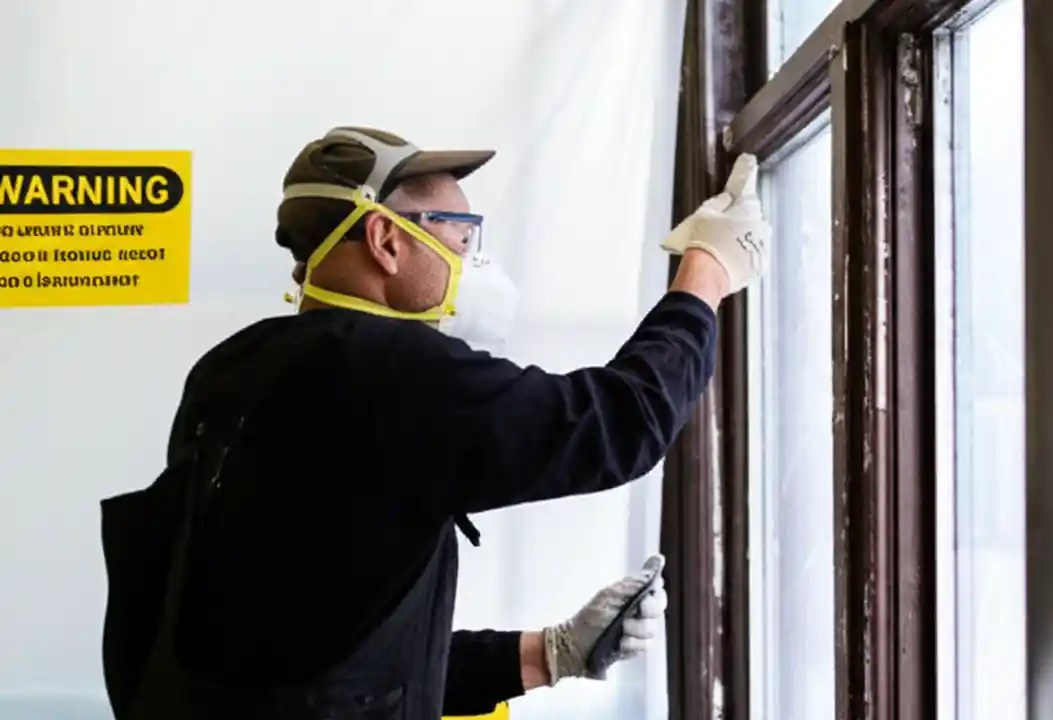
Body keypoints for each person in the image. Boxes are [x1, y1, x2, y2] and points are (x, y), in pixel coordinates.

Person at [99, 126, 770, 720]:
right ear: (387, 239)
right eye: (461, 234)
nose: (472, 259)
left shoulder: (234, 369)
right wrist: (705, 274)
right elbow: (623, 424)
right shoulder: (392, 372)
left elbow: (320, 645)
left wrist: (550, 653)